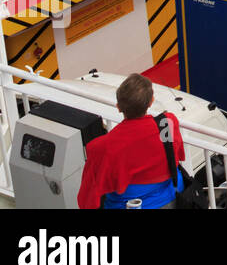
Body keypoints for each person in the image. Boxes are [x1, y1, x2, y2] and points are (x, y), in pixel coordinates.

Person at [77, 73, 185, 209]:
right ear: (151, 101)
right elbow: (178, 155)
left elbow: (87, 200)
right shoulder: (167, 123)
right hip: (172, 198)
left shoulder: (101, 148)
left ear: (118, 107)